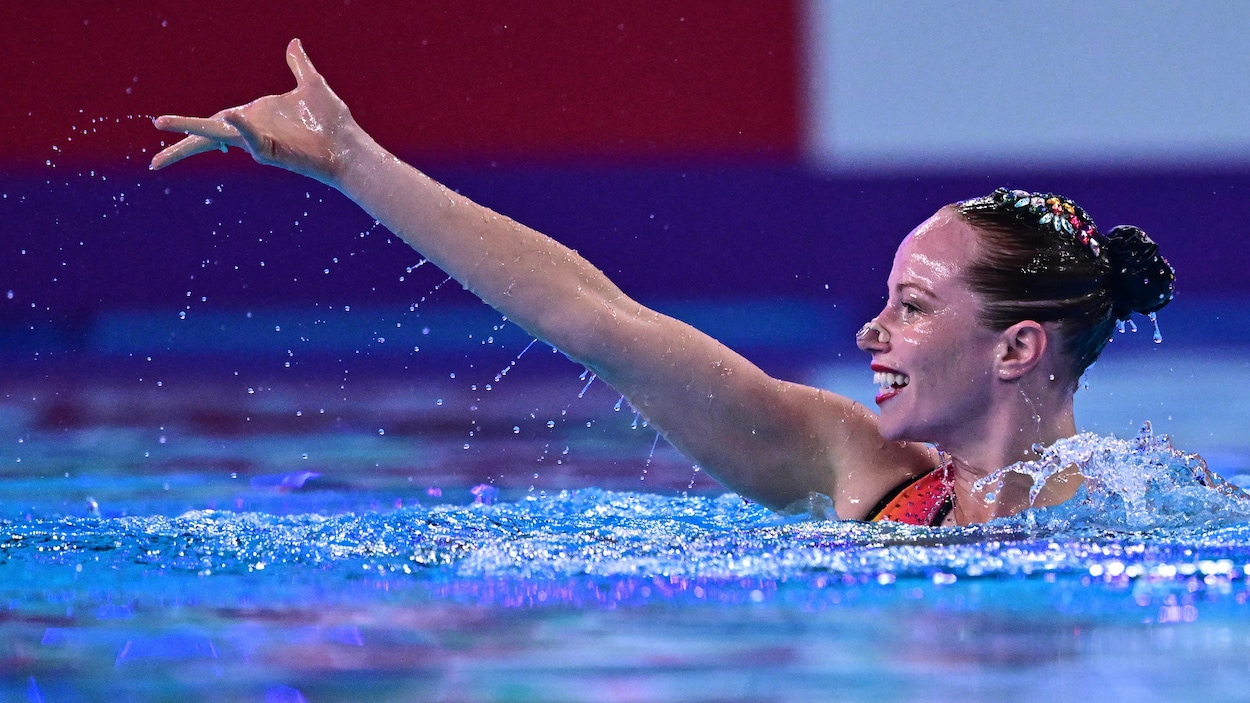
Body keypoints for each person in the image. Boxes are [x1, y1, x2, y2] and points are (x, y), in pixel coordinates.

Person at [150, 39, 1175, 526]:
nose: (871, 332)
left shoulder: (1147, 507)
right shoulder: (853, 465)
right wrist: (351, 161)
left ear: (1015, 347)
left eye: (911, 306)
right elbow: (594, 321)